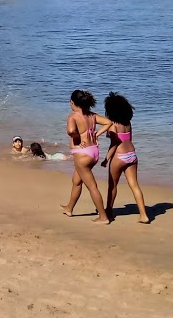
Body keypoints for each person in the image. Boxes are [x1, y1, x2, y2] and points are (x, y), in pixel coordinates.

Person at [61, 89, 111, 224]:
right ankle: (69, 208)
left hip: (82, 155)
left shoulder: (73, 116)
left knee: (92, 186)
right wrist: (96, 134)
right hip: (93, 152)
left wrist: (77, 137)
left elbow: (71, 131)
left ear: (72, 102)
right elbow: (108, 122)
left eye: (70, 102)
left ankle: (103, 217)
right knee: (76, 181)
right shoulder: (92, 115)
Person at [102, 92, 151, 224]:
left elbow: (114, 144)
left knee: (112, 186)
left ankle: (109, 212)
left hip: (119, 156)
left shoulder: (112, 125)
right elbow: (129, 139)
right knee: (134, 185)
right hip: (132, 155)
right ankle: (143, 215)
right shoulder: (128, 123)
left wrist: (106, 159)